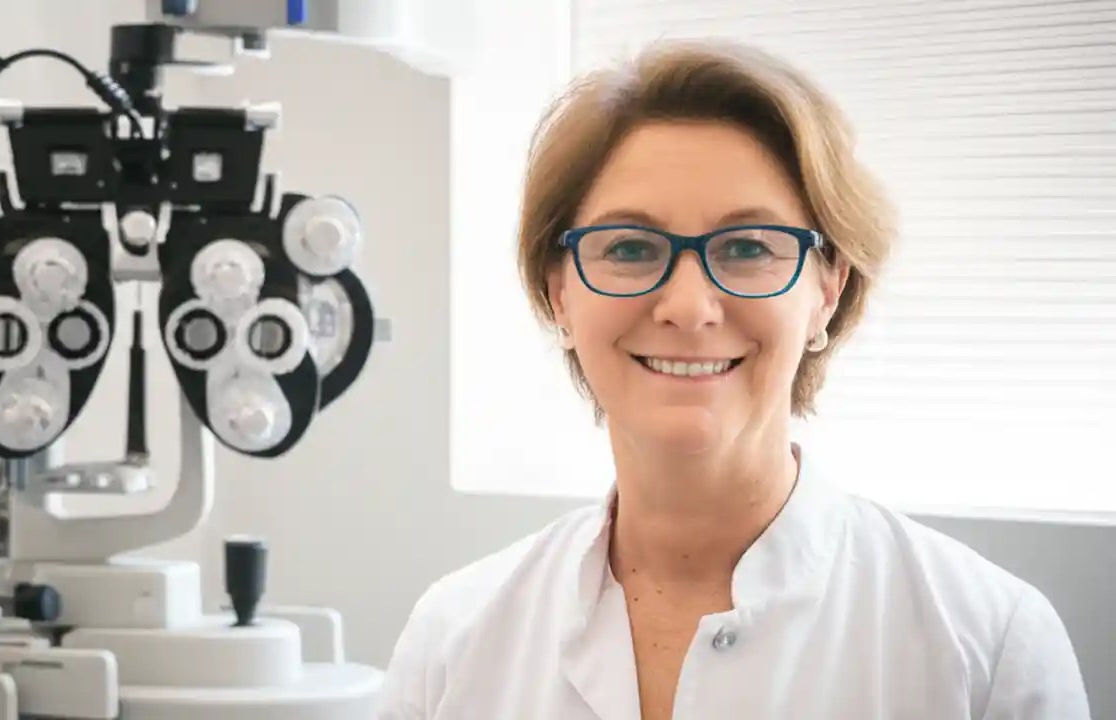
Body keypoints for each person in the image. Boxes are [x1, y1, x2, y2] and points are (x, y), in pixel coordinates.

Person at [375, 39, 1091, 720]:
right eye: (629, 246)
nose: (687, 307)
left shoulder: (989, 644)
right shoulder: (454, 637)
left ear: (828, 291)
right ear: (560, 295)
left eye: (748, 246)